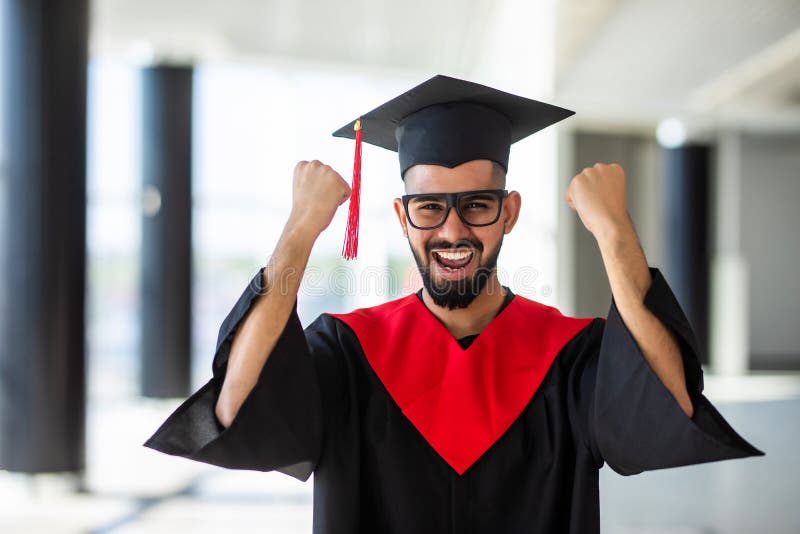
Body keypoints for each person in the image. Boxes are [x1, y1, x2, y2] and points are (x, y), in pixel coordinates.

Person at [144, 75, 763, 534]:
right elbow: (234, 406)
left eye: (477, 205)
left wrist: (614, 232)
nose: (452, 230)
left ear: (509, 212)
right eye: (429, 207)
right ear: (402, 216)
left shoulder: (568, 355)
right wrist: (300, 231)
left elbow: (673, 404)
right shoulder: (350, 352)